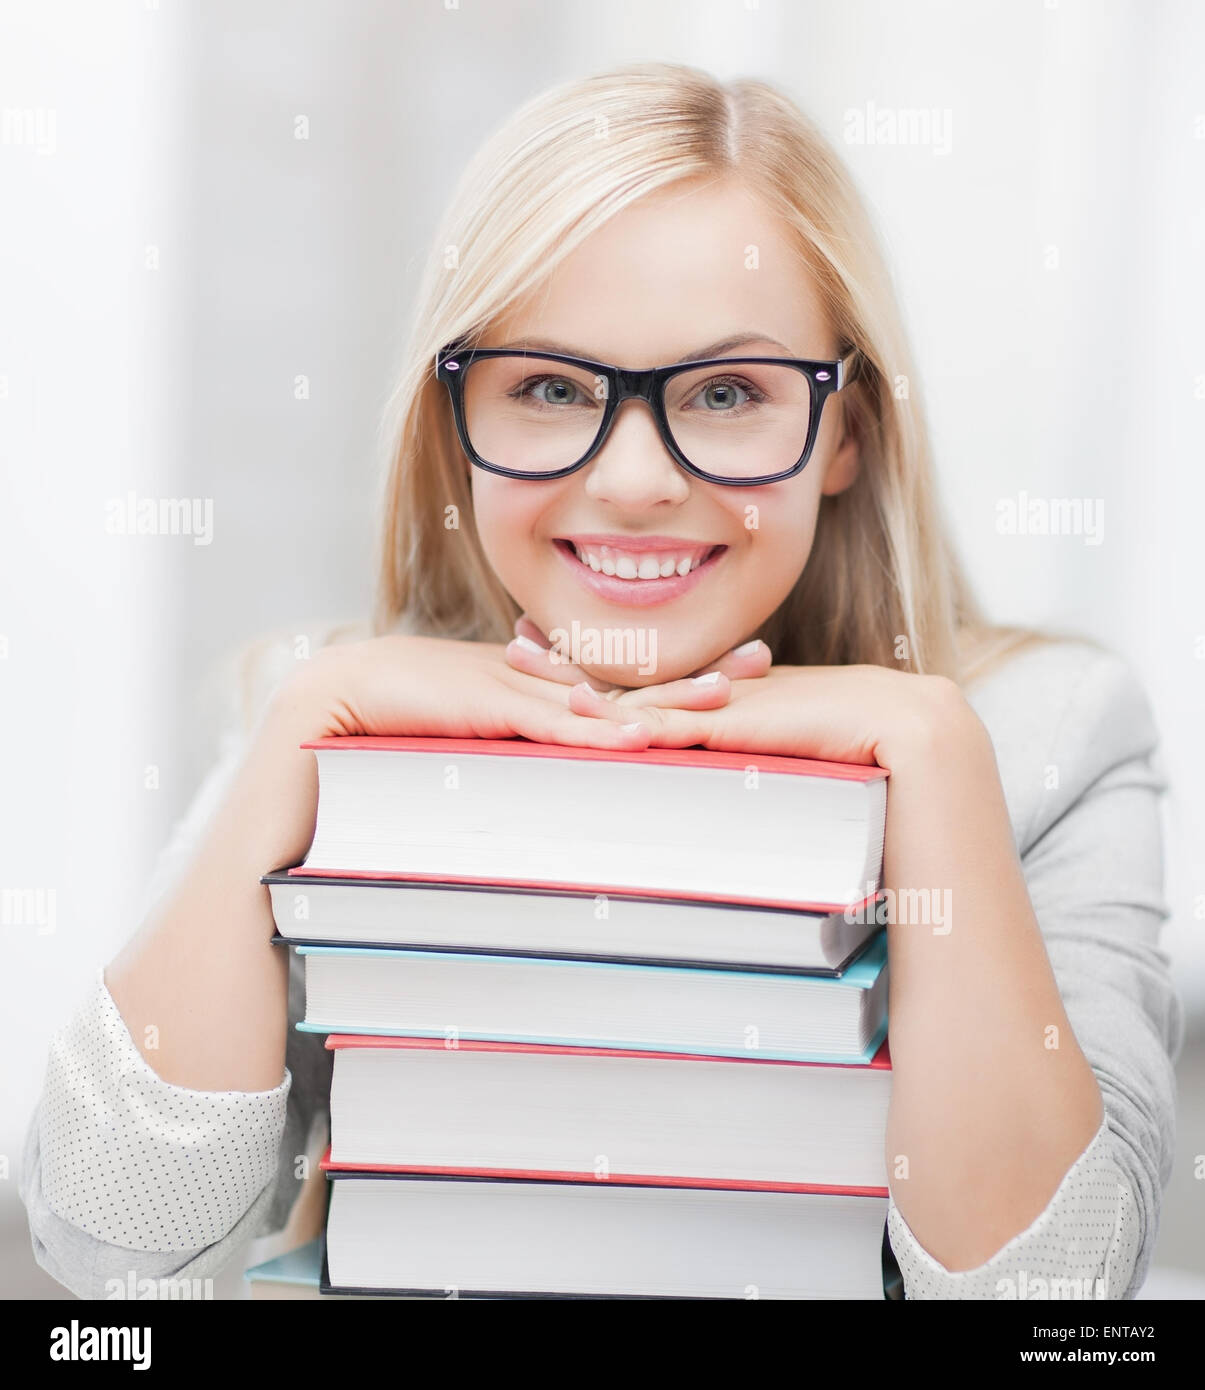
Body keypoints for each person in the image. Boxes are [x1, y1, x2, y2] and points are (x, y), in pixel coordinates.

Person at [20, 61, 1181, 1300]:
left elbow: (1049, 1307)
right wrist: (301, 736)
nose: (632, 480)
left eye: (728, 392)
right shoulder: (323, 708)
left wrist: (934, 755)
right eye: (552, 389)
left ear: (845, 432)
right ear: (449, 425)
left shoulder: (1048, 734)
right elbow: (109, 1257)